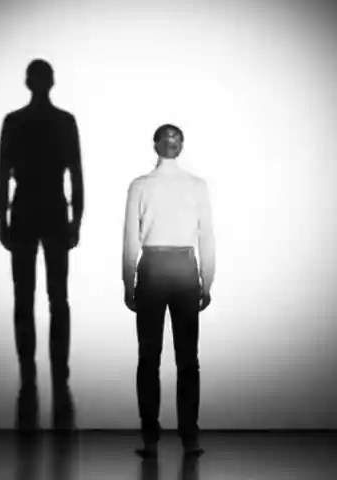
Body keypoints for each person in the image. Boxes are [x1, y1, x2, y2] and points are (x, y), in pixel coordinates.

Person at [0, 59, 83, 432]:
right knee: (54, 298)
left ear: (29, 81)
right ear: (50, 81)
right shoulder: (61, 121)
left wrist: (2, 218)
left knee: (31, 297)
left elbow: (4, 175)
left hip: (30, 209)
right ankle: (51, 374)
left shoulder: (17, 121)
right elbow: (75, 174)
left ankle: (33, 373)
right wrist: (76, 218)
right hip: (49, 208)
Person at [123, 124, 215, 457]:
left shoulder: (140, 185)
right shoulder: (196, 185)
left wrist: (128, 281)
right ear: (180, 146)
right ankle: (189, 437)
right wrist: (207, 278)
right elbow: (206, 236)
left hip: (152, 268)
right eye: (172, 139)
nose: (171, 142)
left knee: (149, 358)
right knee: (187, 359)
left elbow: (131, 238)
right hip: (184, 268)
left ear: (155, 145)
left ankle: (151, 438)